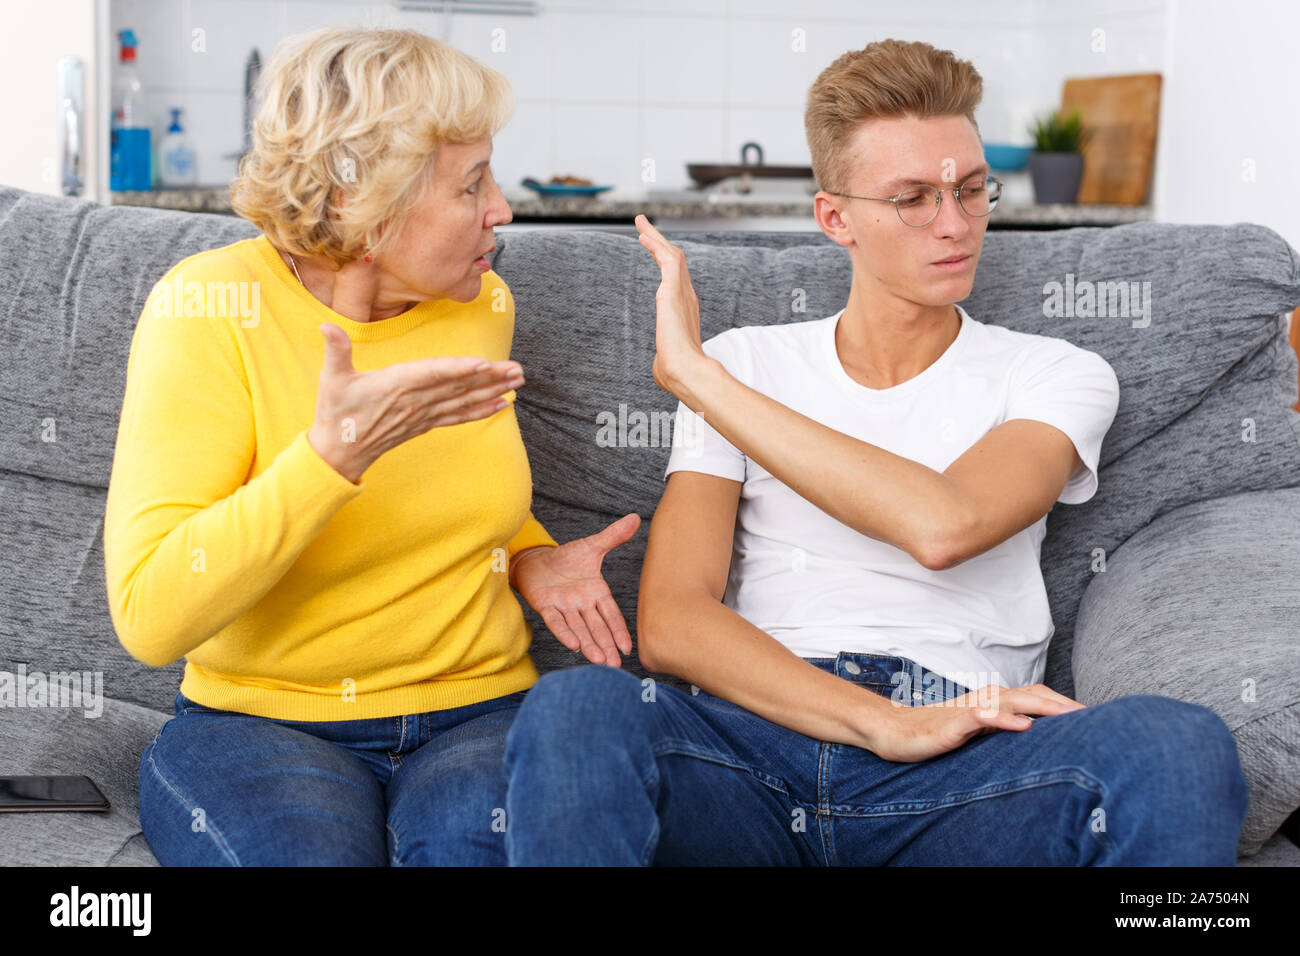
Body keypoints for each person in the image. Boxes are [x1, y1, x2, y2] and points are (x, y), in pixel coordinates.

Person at [501, 38, 1249, 865]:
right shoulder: (749, 364)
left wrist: (697, 381)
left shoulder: (1055, 373)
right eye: (913, 199)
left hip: (968, 753)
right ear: (835, 218)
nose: (956, 225)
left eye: (971, 190)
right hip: (758, 743)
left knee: (1176, 744)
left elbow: (945, 527)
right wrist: (881, 723)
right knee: (578, 709)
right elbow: (674, 622)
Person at [104, 25, 640, 866]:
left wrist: (530, 557)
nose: (501, 208)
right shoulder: (208, 309)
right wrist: (329, 461)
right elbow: (150, 615)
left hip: (477, 715)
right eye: (471, 185)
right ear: (368, 205)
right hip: (263, 726)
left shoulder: (479, 302)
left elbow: (462, 493)